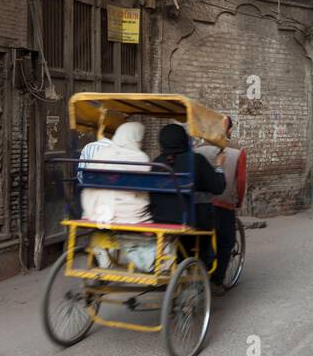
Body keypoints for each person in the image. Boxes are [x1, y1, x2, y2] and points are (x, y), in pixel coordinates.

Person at [150, 123, 225, 271]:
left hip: (160, 218)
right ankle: (206, 262)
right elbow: (218, 188)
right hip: (189, 220)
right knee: (212, 218)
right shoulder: (196, 160)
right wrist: (219, 166)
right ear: (184, 139)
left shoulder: (156, 163)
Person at [196, 115, 247, 290]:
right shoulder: (237, 151)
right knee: (227, 242)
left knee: (200, 241)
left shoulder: (197, 150)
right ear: (229, 130)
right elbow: (240, 183)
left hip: (200, 204)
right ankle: (217, 281)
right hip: (224, 204)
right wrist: (238, 202)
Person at [78, 119, 151, 227]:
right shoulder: (140, 158)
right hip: (127, 214)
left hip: (94, 209)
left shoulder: (102, 153)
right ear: (136, 138)